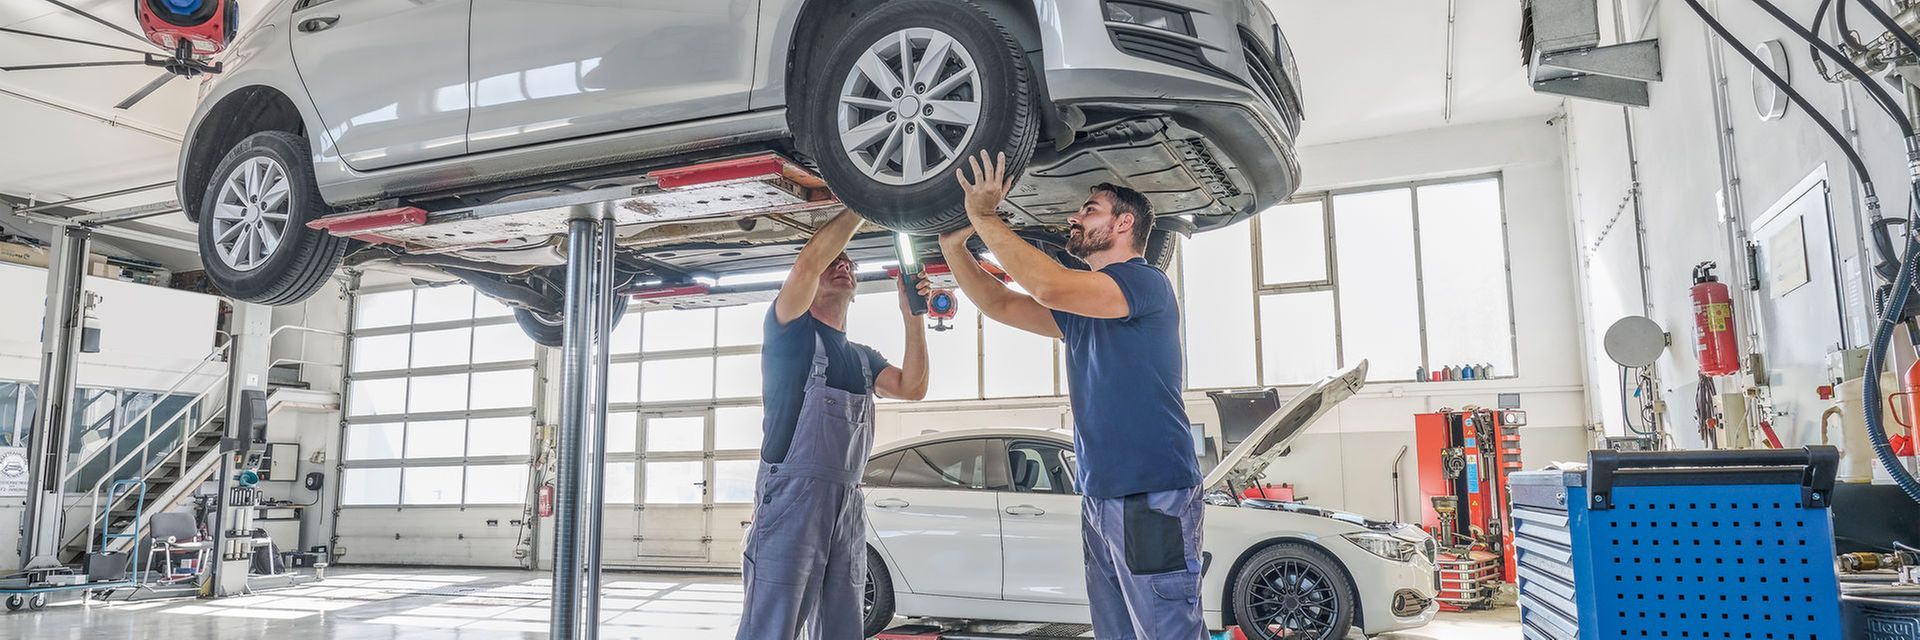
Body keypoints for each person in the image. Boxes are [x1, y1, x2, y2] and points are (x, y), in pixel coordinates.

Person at [938, 151, 1205, 639]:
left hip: (1150, 492)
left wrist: (985, 216)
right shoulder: (1085, 306)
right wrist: (954, 247)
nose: (1074, 217)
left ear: (1124, 223)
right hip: (1101, 494)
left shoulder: (1144, 283)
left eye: (1090, 209)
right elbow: (999, 303)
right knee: (1116, 632)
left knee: (1167, 631)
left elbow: (1046, 285)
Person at [736, 208, 930, 640]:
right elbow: (808, 261)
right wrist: (865, 201)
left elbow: (913, 387)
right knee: (773, 624)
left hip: (847, 502)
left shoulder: (864, 358)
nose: (843, 265)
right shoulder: (789, 332)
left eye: (850, 265)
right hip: (792, 499)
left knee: (843, 623)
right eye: (834, 262)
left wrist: (912, 315)